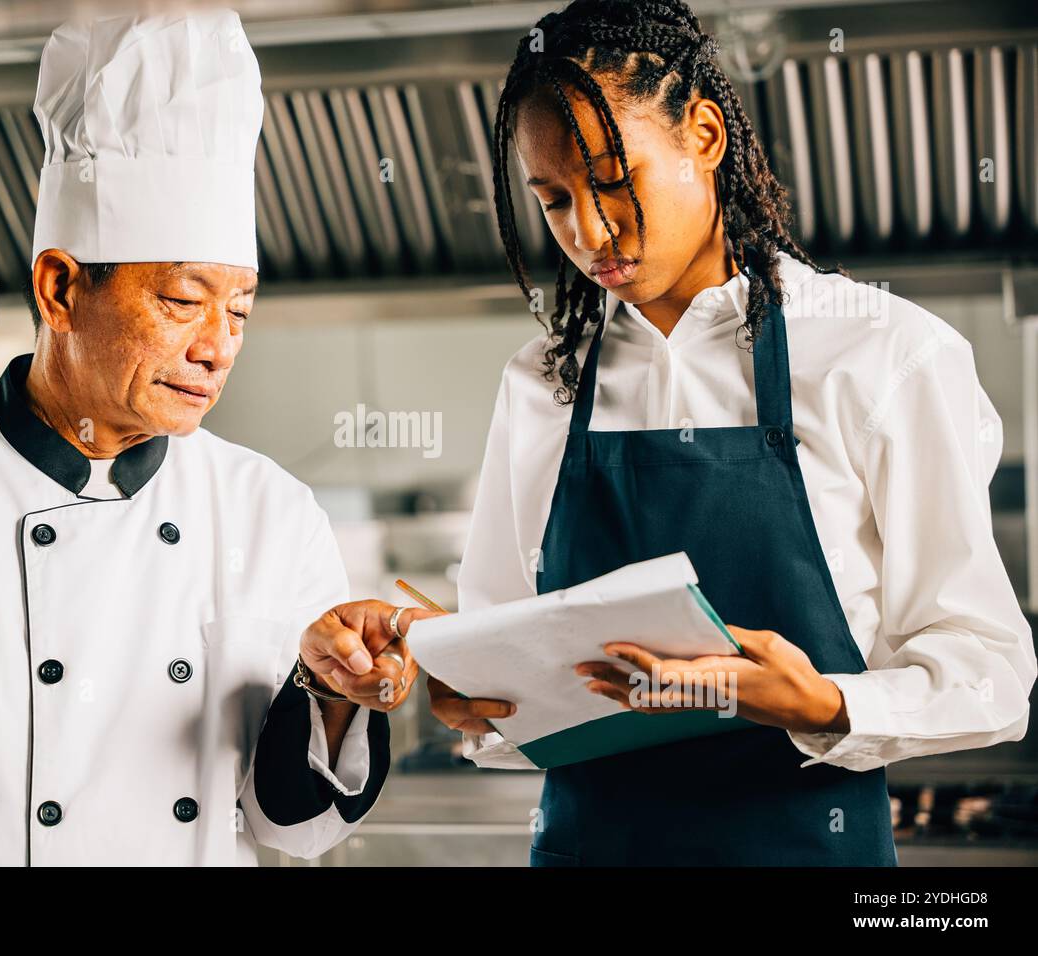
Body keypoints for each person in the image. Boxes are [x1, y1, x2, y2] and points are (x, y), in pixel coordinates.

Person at [0, 9, 421, 866]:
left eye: (239, 311)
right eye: (181, 301)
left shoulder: (271, 514)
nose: (218, 347)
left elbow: (290, 826)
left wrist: (330, 692)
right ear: (60, 289)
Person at [428, 0, 1035, 866]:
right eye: (555, 199)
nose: (588, 232)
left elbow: (990, 671)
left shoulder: (884, 353)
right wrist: (465, 686)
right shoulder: (544, 382)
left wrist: (824, 703)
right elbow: (503, 655)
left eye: (613, 180)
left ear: (705, 135)